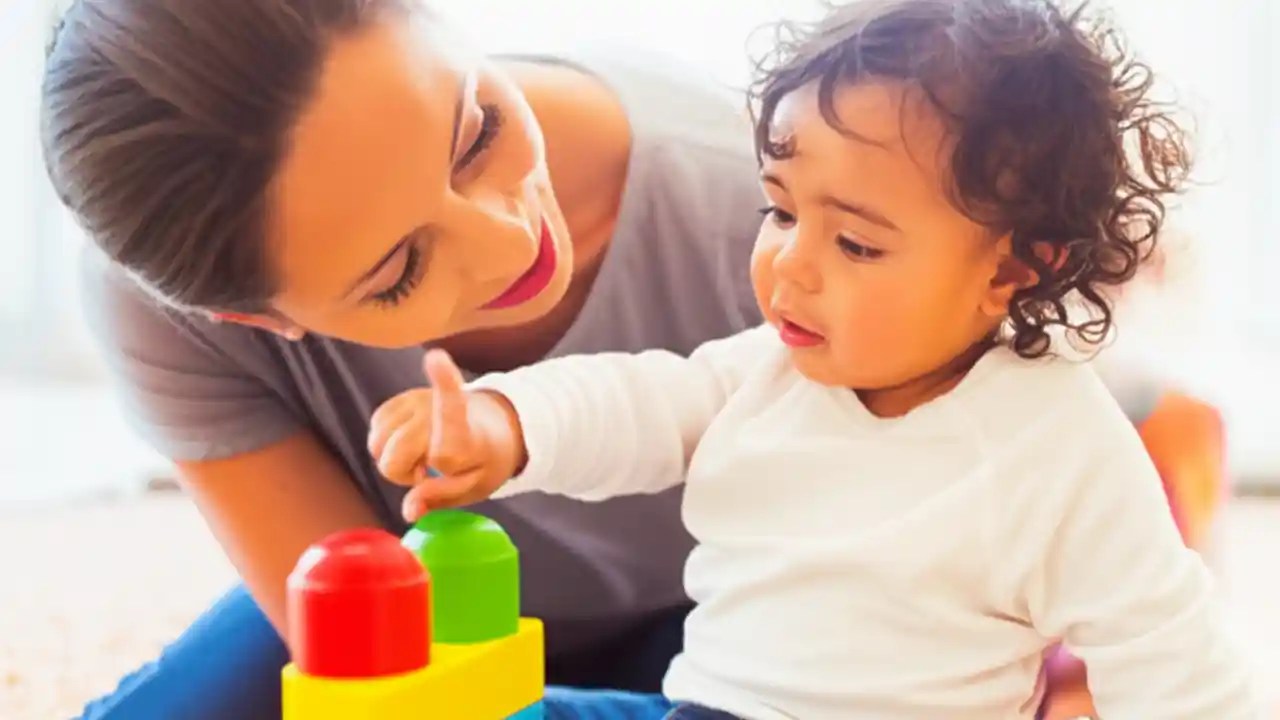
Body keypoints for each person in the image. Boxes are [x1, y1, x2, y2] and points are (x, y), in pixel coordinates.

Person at [367, 1, 1262, 718]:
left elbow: (1169, 657)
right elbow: (638, 400)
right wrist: (507, 422)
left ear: (1015, 270)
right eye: (782, 213)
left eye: (858, 246)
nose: (790, 264)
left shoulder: (1058, 446)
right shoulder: (770, 371)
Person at [41, 1, 765, 718]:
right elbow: (375, 657)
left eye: (478, 136)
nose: (511, 242)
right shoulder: (164, 307)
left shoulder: (759, 196)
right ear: (258, 317)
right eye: (399, 273)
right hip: (405, 599)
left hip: (734, 606)